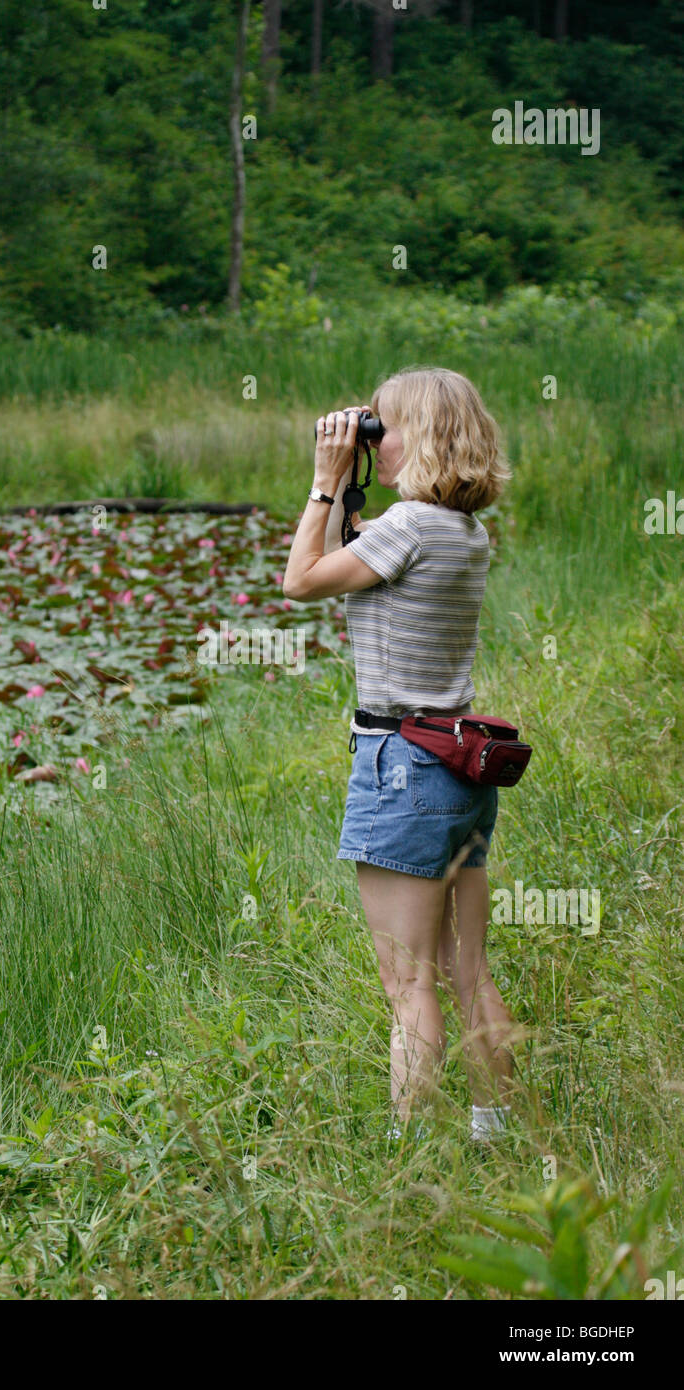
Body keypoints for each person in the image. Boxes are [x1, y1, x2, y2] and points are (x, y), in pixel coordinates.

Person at [282, 366, 515, 1146]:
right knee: (465, 969)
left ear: (422, 434)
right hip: (455, 765)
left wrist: (322, 484)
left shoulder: (408, 526)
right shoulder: (462, 530)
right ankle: (494, 1132)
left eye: (382, 428)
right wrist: (353, 496)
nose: (370, 444)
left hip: (398, 766)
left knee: (408, 982)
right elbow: (366, 570)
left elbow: (301, 581)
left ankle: (408, 1160)